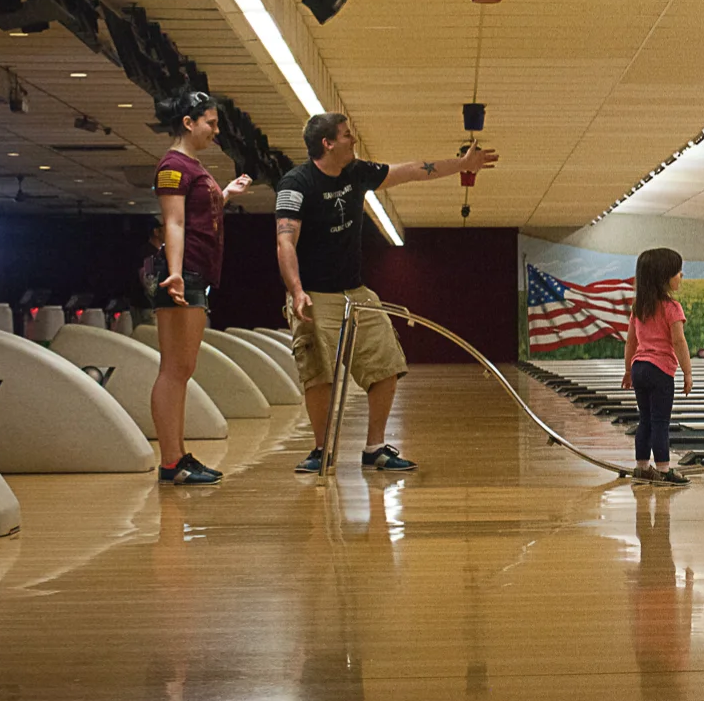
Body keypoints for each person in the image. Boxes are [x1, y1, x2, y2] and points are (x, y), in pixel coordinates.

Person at [275, 112, 498, 474]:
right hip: (314, 294)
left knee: (386, 364)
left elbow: (411, 170)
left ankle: (374, 448)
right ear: (327, 143)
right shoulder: (296, 184)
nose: (354, 140)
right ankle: (321, 450)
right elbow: (285, 241)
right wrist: (296, 291)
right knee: (319, 374)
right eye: (347, 135)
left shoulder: (357, 173)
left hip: (355, 291)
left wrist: (462, 164)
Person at [146, 90, 252, 485]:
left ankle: (177, 457)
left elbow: (199, 217)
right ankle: (171, 462)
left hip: (193, 274)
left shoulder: (192, 165)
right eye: (210, 123)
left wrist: (225, 195)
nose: (216, 131)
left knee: (182, 368)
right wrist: (174, 272)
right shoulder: (173, 166)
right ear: (188, 123)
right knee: (174, 369)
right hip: (182, 275)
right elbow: (173, 222)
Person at [621, 247, 693, 484]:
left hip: (640, 367)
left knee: (645, 420)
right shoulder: (672, 308)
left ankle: (642, 467)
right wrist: (687, 372)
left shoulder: (638, 308)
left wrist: (628, 371)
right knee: (661, 422)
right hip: (660, 370)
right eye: (677, 272)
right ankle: (663, 470)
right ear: (664, 277)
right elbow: (679, 341)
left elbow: (631, 340)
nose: (681, 275)